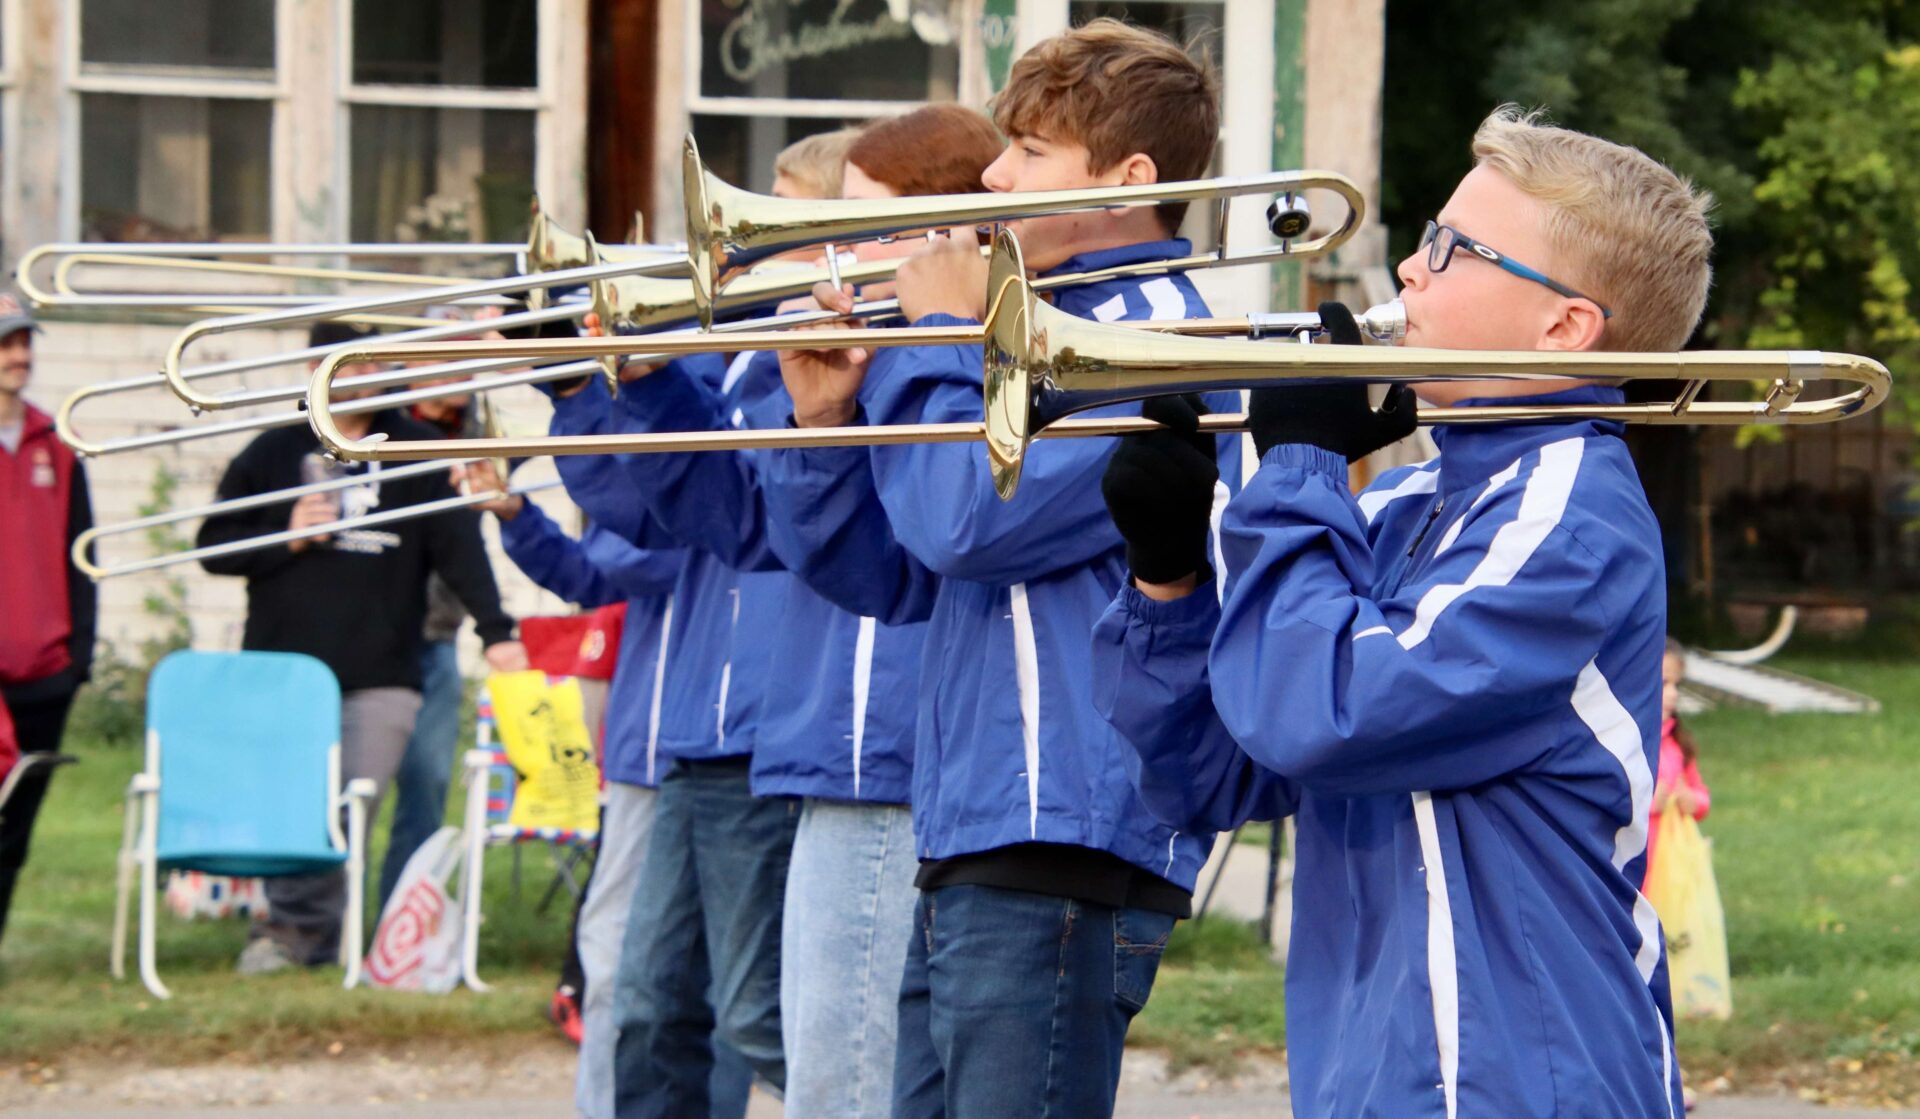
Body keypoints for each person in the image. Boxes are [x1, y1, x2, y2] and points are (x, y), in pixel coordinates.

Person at [1091, 104, 1712, 1116]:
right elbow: (1213, 776)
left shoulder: (1570, 515)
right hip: (1376, 1068)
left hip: (1521, 1073)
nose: (1411, 272)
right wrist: (1167, 582)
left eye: (1451, 250)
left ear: (1564, 325)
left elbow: (1328, 711)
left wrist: (1298, 466)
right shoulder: (1411, 503)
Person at [762, 22, 1238, 1117]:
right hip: (983, 819)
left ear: (1130, 179)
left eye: (1029, 151)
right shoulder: (1032, 328)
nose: (993, 173)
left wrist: (930, 333)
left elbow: (965, 525)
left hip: (1066, 821)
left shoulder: (1159, 339)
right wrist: (819, 419)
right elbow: (884, 577)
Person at [594, 104, 999, 1119]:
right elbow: (744, 526)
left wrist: (913, 351)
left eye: (853, 225)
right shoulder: (836, 353)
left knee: (846, 1080)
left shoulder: (957, 354)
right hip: (823, 745)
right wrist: (644, 388)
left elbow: (945, 537)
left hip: (891, 752)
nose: (823, 251)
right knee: (801, 1060)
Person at [198, 321, 528, 973]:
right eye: (338, 366)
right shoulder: (273, 450)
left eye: (366, 366)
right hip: (284, 670)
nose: (354, 380)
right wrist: (284, 532)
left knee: (353, 800)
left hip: (382, 670)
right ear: (313, 372)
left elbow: (460, 549)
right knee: (297, 801)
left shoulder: (420, 448)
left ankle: (325, 932)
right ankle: (303, 933)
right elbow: (212, 545)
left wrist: (498, 630)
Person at [379, 306, 516, 909]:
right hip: (365, 631)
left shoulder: (483, 424)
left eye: (459, 357)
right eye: (435, 356)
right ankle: (316, 922)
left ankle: (398, 917)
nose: (445, 371)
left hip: (435, 632)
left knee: (428, 780)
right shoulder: (380, 422)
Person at [0, 292, 95, 948]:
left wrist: (78, 659)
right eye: (7, 343)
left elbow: (82, 555)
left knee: (15, 828)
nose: (20, 355)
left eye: (25, 341)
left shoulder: (56, 447)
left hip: (43, 672)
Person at [1648, 639, 1711, 884]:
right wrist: (1645, 805)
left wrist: (1693, 801)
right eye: (1664, 684)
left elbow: (1701, 794)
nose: (1673, 694)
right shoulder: (1628, 745)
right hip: (1636, 866)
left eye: (1677, 685)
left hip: (1674, 869)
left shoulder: (1678, 744)